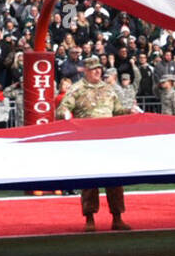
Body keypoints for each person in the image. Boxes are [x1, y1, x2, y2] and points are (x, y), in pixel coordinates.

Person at [57, 56, 137, 231]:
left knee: (115, 180)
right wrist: (65, 114)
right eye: (93, 69)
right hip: (88, 141)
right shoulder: (76, 89)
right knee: (89, 181)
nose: (97, 71)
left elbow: (117, 110)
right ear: (85, 70)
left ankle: (117, 217)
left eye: (99, 68)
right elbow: (62, 109)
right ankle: (89, 218)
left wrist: (129, 111)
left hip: (108, 140)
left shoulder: (109, 89)